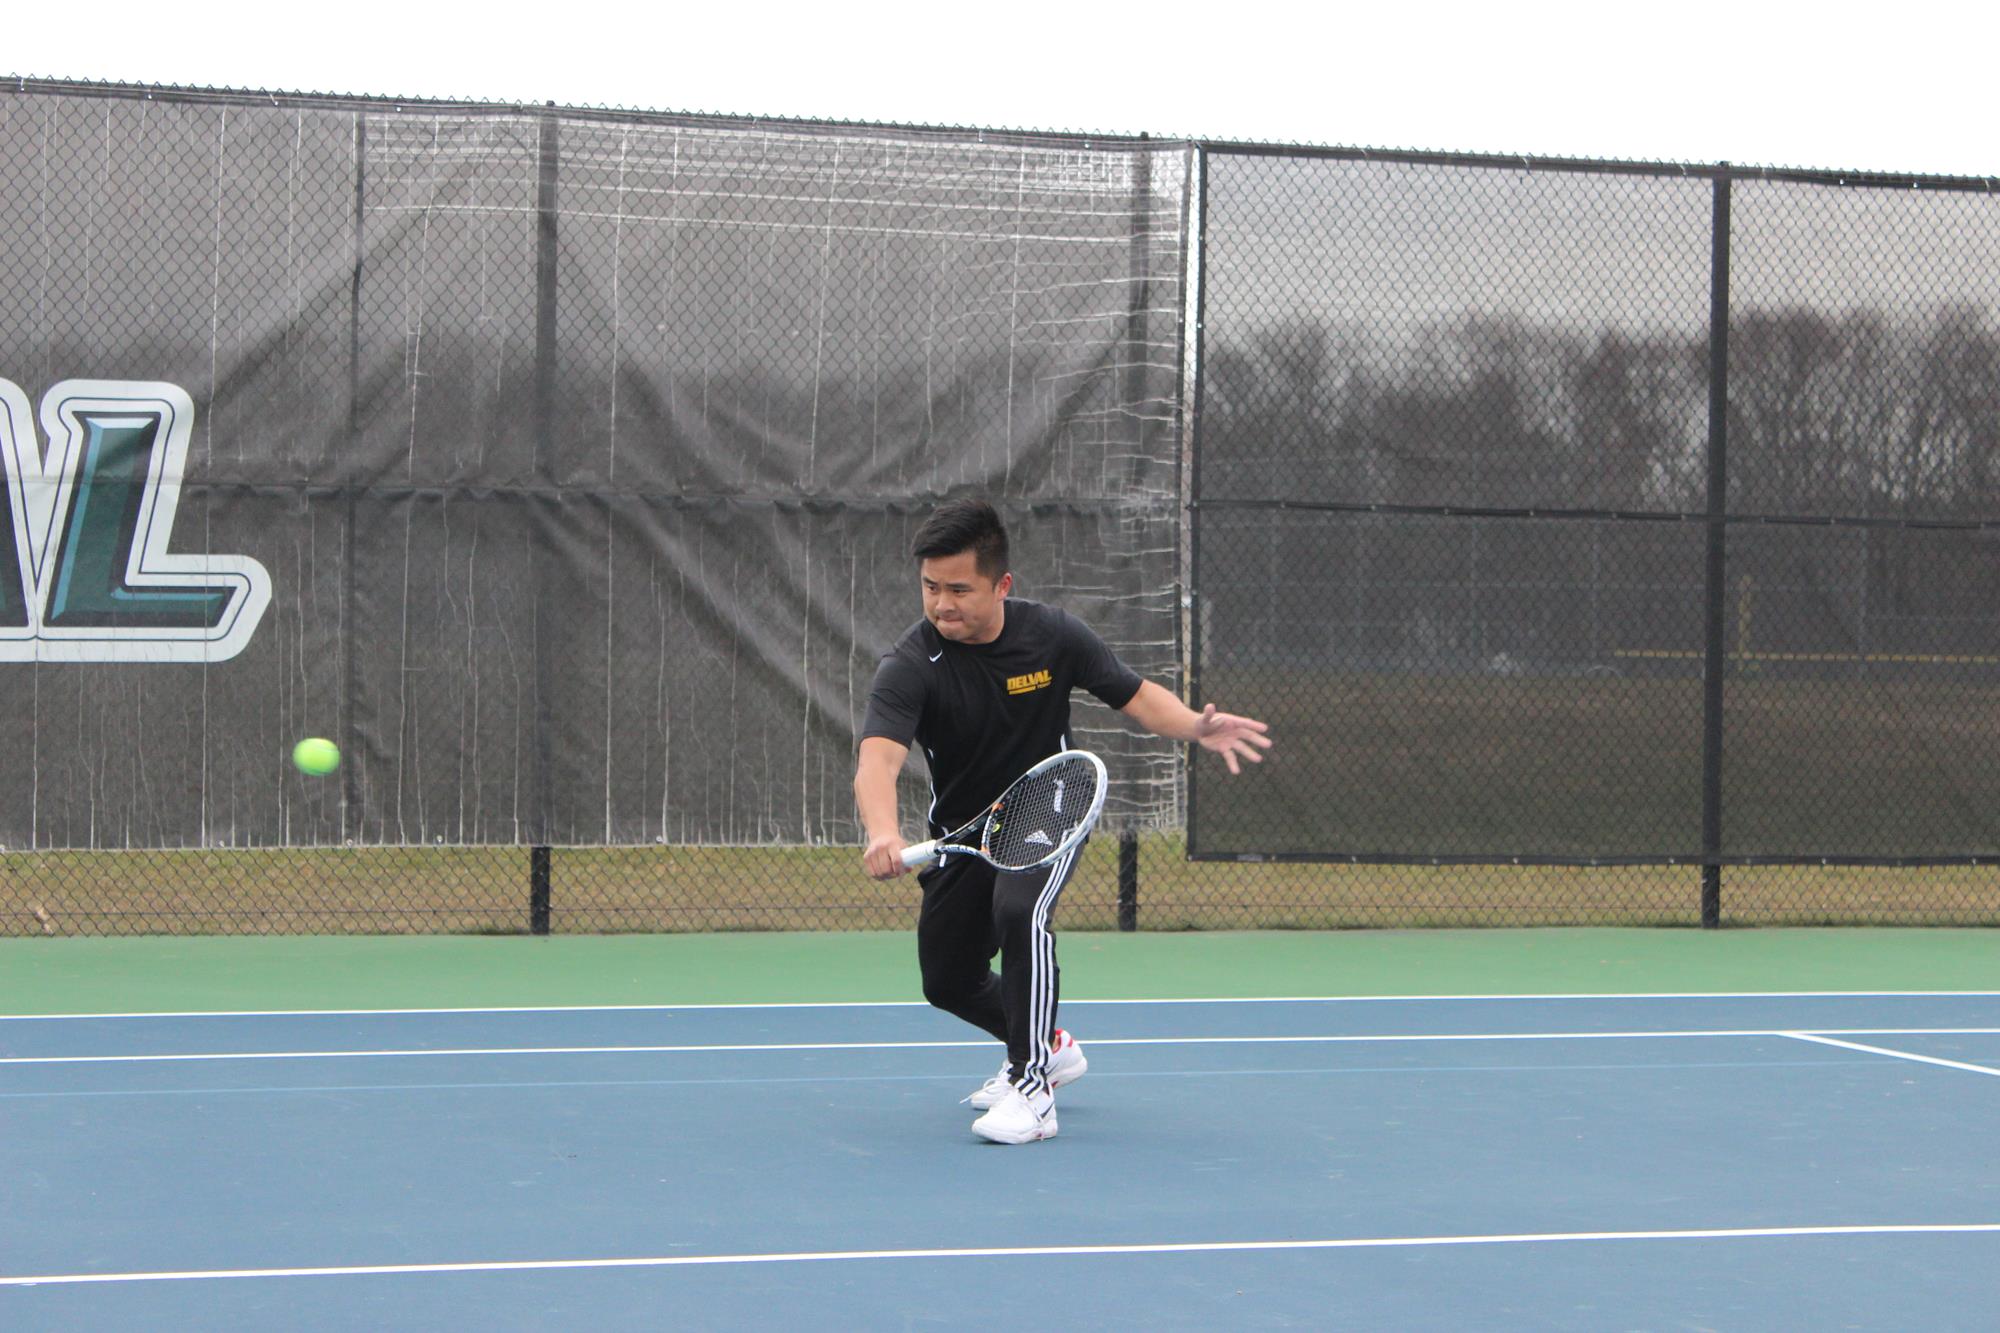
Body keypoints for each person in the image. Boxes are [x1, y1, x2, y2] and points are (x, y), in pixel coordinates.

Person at [855, 498, 1271, 1144]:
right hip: (967, 833)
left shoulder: (1053, 636)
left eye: (959, 589)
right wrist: (883, 831)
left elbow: (1136, 695)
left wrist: (1195, 725)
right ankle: (1049, 1045)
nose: (942, 604)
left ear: (1002, 585)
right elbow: (877, 760)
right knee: (947, 980)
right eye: (931, 588)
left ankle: (1032, 1088)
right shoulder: (910, 664)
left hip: (1050, 807)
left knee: (1020, 911)